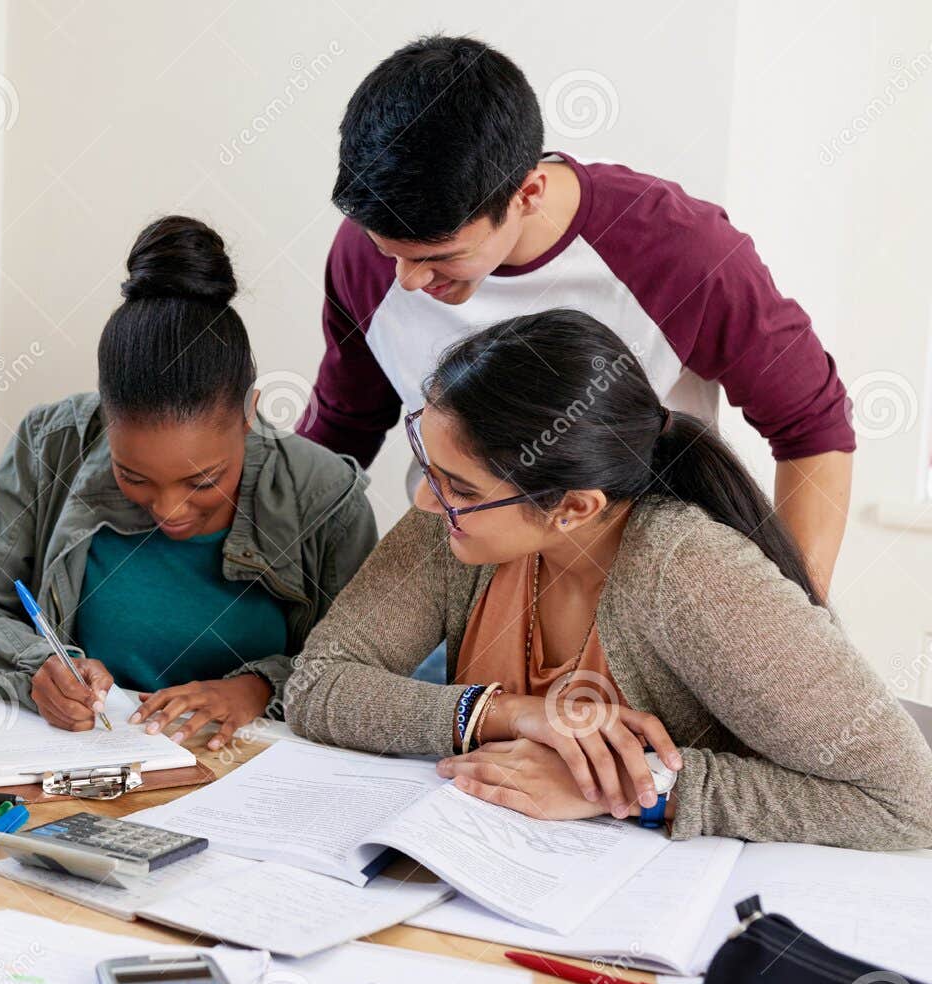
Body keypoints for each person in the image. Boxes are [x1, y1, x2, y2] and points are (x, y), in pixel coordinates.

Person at [285, 309, 932, 851]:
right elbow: (321, 684)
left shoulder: (693, 574)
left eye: (457, 487)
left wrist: (627, 791)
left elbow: (909, 801)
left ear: (574, 508)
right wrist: (511, 715)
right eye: (429, 463)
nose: (426, 500)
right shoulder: (457, 527)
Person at [300, 34, 855, 599]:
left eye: (438, 257)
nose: (408, 280)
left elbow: (811, 426)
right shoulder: (365, 256)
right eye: (390, 251)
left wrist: (798, 612)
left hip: (643, 591)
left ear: (528, 192)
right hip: (461, 587)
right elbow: (343, 427)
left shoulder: (679, 251)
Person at [0, 216, 376, 749]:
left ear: (250, 413)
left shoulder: (325, 498)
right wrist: (36, 668)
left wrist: (254, 689)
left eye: (203, 481)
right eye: (132, 476)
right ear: (106, 418)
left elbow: (364, 674)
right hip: (85, 763)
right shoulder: (53, 444)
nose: (170, 509)